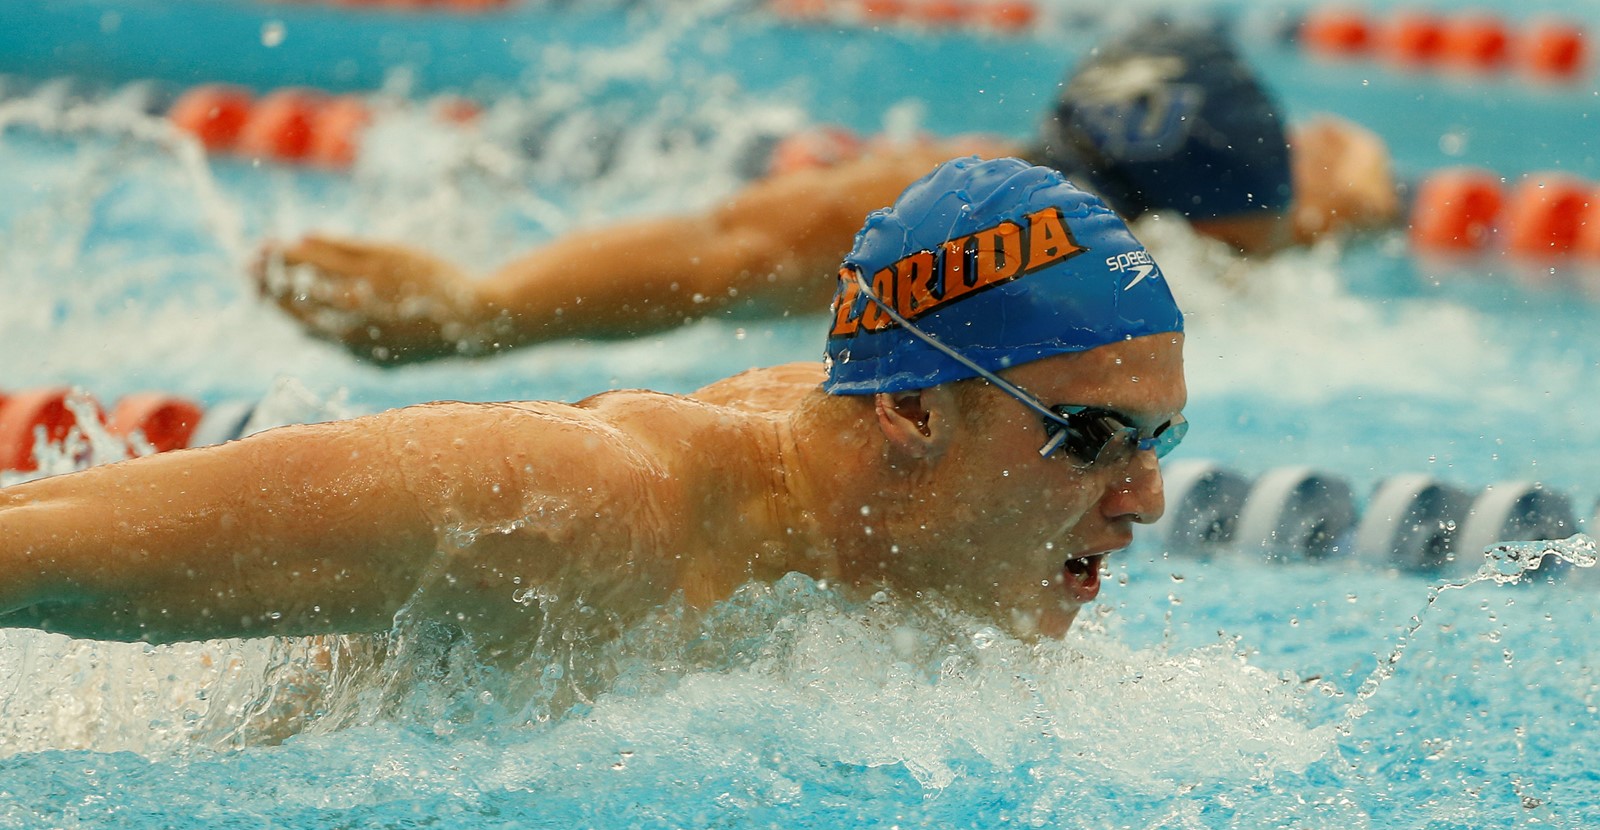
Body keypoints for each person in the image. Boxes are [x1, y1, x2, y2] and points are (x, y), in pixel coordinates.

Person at [2, 157, 1185, 660]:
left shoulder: (923, 551)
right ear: (917, 415)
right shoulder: (573, 505)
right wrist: (469, 309)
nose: (1146, 498)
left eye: (1159, 436)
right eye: (1092, 437)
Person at [258, 21, 1397, 367]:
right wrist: (479, 309)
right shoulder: (957, 206)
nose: (1267, 250)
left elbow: (1348, 161)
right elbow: (721, 247)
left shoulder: (1293, 201)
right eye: (1238, 239)